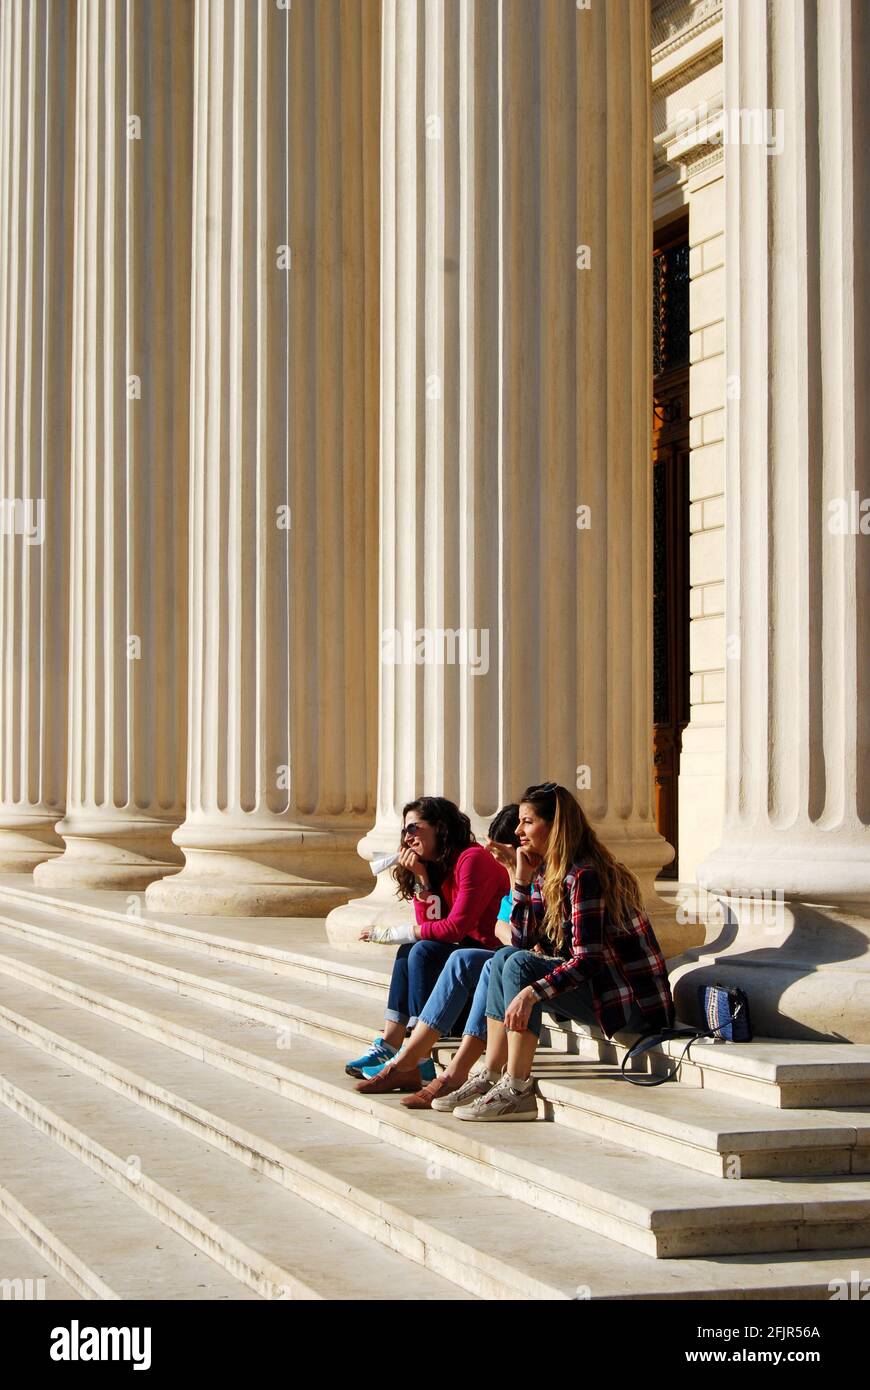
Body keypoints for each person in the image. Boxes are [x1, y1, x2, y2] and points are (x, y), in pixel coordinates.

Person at [453, 781, 675, 1122]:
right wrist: (522, 881)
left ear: (554, 826)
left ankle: (517, 1088)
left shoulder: (584, 875)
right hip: (596, 991)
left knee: (520, 968)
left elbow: (589, 960)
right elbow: (521, 941)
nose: (517, 830)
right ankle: (493, 1074)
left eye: (527, 821)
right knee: (503, 959)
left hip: (629, 1004)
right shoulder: (547, 872)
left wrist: (531, 994)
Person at [355, 805, 520, 1101]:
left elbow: (454, 929)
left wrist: (395, 933)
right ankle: (392, 1043)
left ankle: (421, 1056)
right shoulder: (439, 865)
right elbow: (431, 925)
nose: (408, 838)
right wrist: (422, 880)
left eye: (414, 828)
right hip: (471, 955)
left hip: (486, 960)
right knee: (412, 951)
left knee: (421, 949)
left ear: (440, 828)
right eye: (405, 830)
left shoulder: (471, 859)